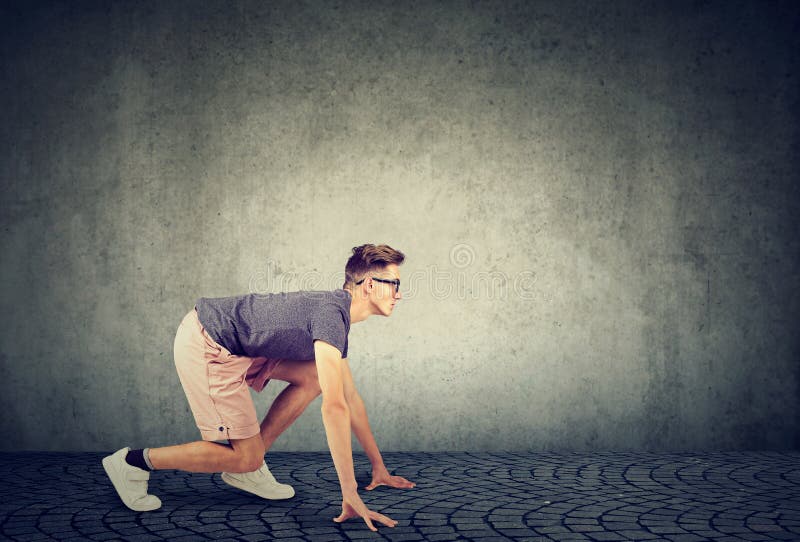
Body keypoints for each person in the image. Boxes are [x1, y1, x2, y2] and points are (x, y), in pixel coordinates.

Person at [103, 244, 414, 531]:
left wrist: (379, 468)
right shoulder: (331, 316)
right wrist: (350, 492)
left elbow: (350, 398)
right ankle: (133, 462)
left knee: (314, 377)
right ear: (369, 284)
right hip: (208, 343)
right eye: (395, 284)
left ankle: (248, 468)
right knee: (246, 457)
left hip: (240, 347)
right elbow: (334, 408)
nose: (399, 295)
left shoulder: (335, 312)